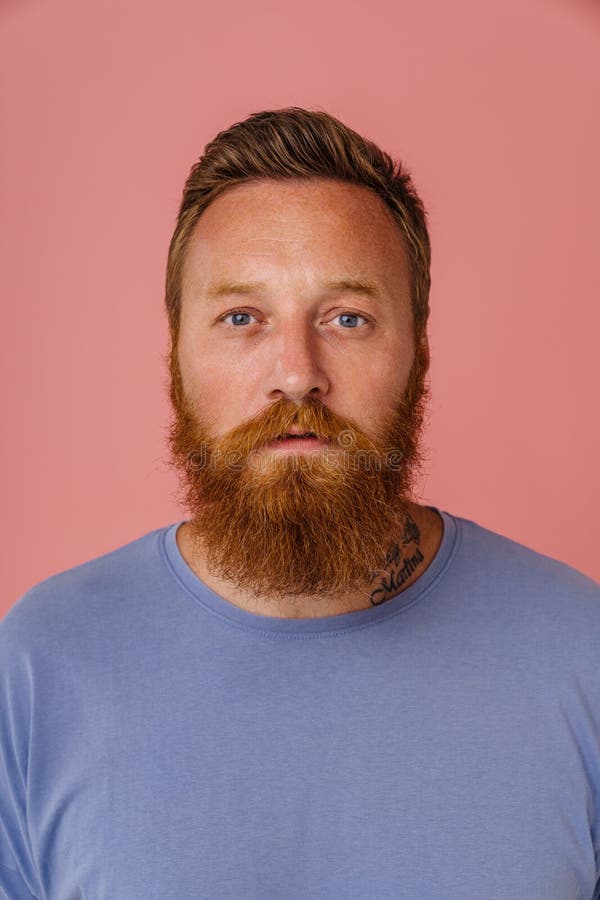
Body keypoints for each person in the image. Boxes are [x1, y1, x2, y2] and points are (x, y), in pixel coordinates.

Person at [1, 108, 599, 900]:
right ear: (175, 352)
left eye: (347, 318)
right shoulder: (39, 665)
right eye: (241, 317)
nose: (296, 372)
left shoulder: (579, 650)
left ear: (419, 349)